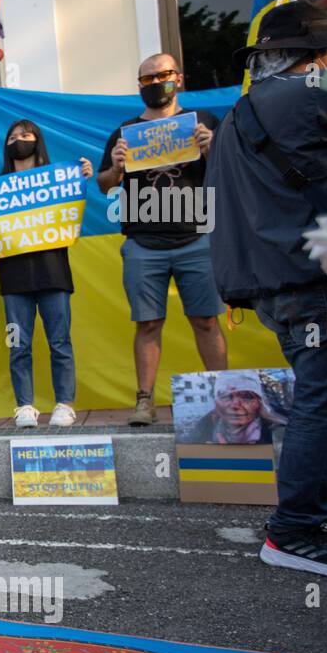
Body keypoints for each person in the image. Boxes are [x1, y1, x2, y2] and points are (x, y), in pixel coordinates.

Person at [206, 0, 327, 579]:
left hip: (275, 285)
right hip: (317, 279)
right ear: (319, 55)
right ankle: (295, 530)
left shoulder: (237, 116)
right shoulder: (318, 100)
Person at [96, 53, 227, 425]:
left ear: (179, 79)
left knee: (206, 321)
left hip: (196, 237)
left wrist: (211, 147)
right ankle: (144, 402)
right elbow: (104, 185)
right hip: (143, 242)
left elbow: (229, 171)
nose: (156, 83)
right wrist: (116, 168)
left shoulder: (205, 123)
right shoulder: (124, 133)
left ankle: (224, 393)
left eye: (163, 75)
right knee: (148, 323)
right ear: (140, 86)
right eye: (148, 78)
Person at [0, 120, 92, 427]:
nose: (18, 140)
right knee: (17, 345)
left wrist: (82, 179)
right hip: (13, 280)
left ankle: (64, 404)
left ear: (38, 140)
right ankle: (24, 405)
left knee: (60, 341)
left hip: (54, 275)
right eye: (12, 137)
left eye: (25, 135)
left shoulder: (59, 178)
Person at [176, 369, 284, 445]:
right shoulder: (207, 425)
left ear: (260, 402)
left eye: (247, 397)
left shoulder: (280, 433)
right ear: (216, 402)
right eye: (226, 397)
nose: (235, 405)